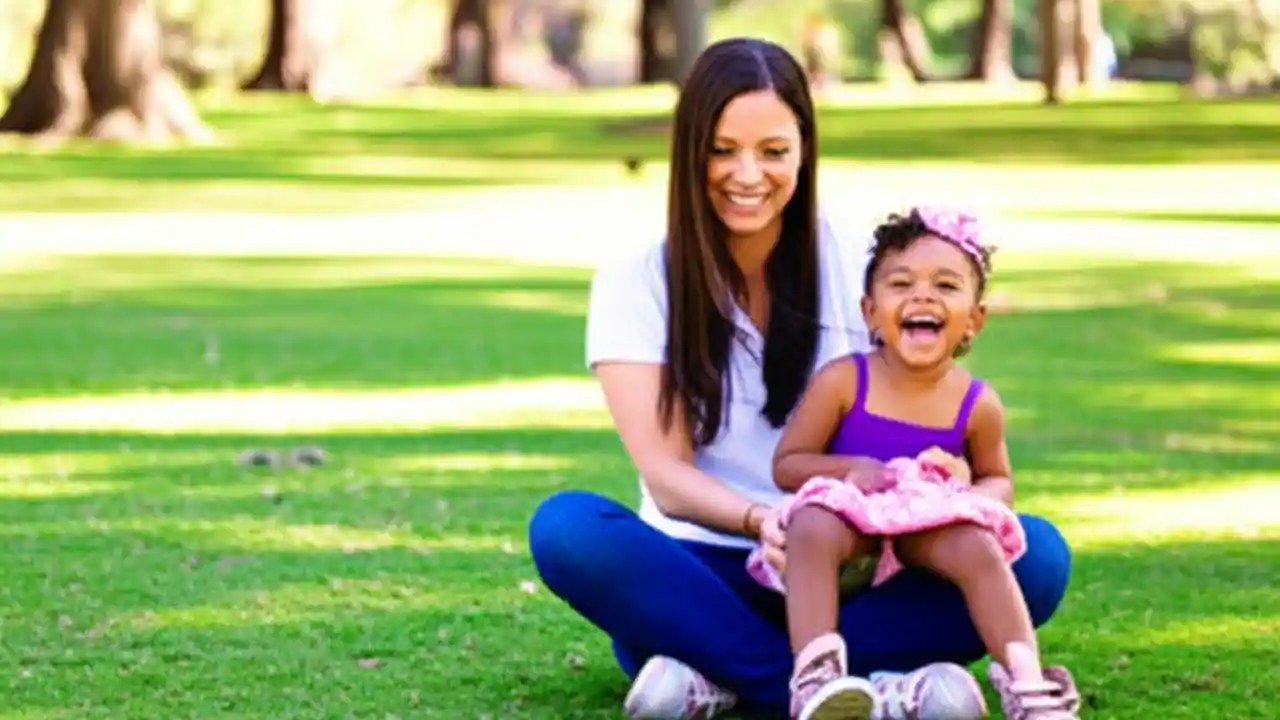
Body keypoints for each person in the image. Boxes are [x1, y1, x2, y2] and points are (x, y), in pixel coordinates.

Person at [527, 37, 1073, 720]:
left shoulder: (862, 268)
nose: (747, 174)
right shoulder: (637, 279)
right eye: (722, 149)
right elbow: (666, 475)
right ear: (688, 148)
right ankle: (870, 690)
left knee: (1039, 557)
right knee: (570, 529)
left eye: (773, 151)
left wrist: (947, 474)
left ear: (805, 150)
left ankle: (721, 680)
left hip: (851, 575)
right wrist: (765, 521)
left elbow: (916, 396)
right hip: (705, 573)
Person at [766, 208, 1081, 719]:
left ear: (974, 319)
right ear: (870, 311)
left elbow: (998, 479)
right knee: (812, 525)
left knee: (980, 548)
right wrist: (850, 470)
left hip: (925, 521)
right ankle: (816, 672)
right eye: (901, 283)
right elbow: (788, 464)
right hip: (853, 523)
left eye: (946, 285)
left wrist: (970, 497)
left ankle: (1026, 683)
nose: (923, 296)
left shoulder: (977, 404)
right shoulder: (844, 381)